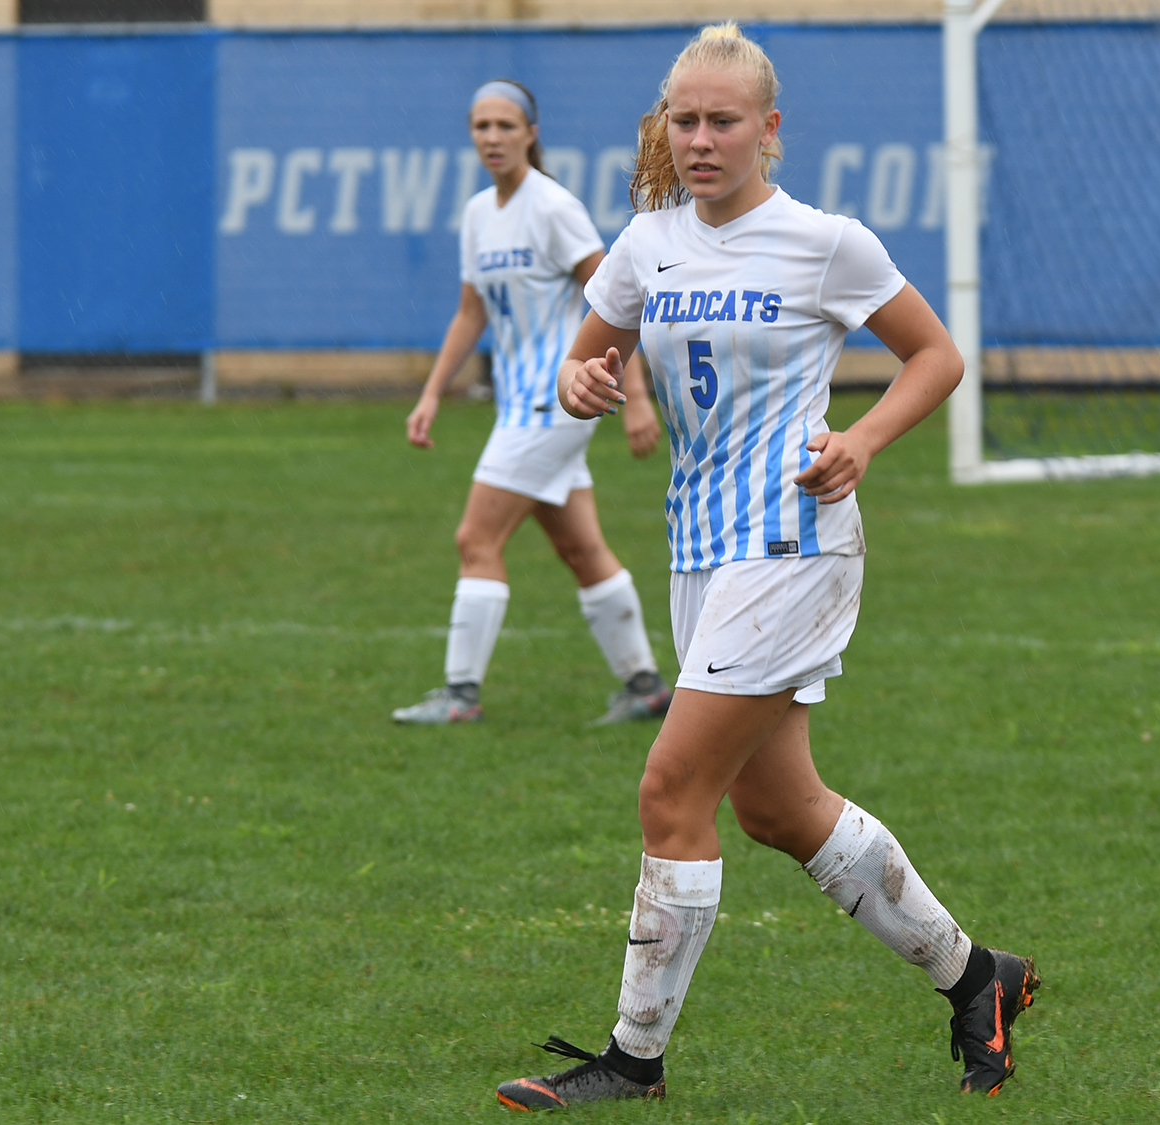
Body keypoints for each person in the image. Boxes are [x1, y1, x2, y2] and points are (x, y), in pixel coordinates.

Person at [492, 25, 1038, 1110]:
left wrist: (862, 441)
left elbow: (935, 356)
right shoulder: (645, 243)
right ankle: (979, 977)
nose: (699, 140)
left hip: (792, 543)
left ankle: (633, 1060)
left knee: (669, 789)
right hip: (698, 550)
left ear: (768, 129)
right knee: (777, 811)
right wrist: (583, 386)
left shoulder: (824, 243)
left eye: (722, 121)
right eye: (684, 120)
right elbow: (579, 368)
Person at [395, 78, 671, 728]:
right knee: (581, 548)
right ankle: (646, 686)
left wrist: (635, 396)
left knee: (476, 537)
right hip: (521, 407)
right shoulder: (477, 214)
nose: (492, 137)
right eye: (481, 126)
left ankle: (460, 694)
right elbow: (471, 311)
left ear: (531, 133)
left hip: (555, 404)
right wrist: (432, 393)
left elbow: (617, 301)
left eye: (505, 125)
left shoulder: (552, 207)